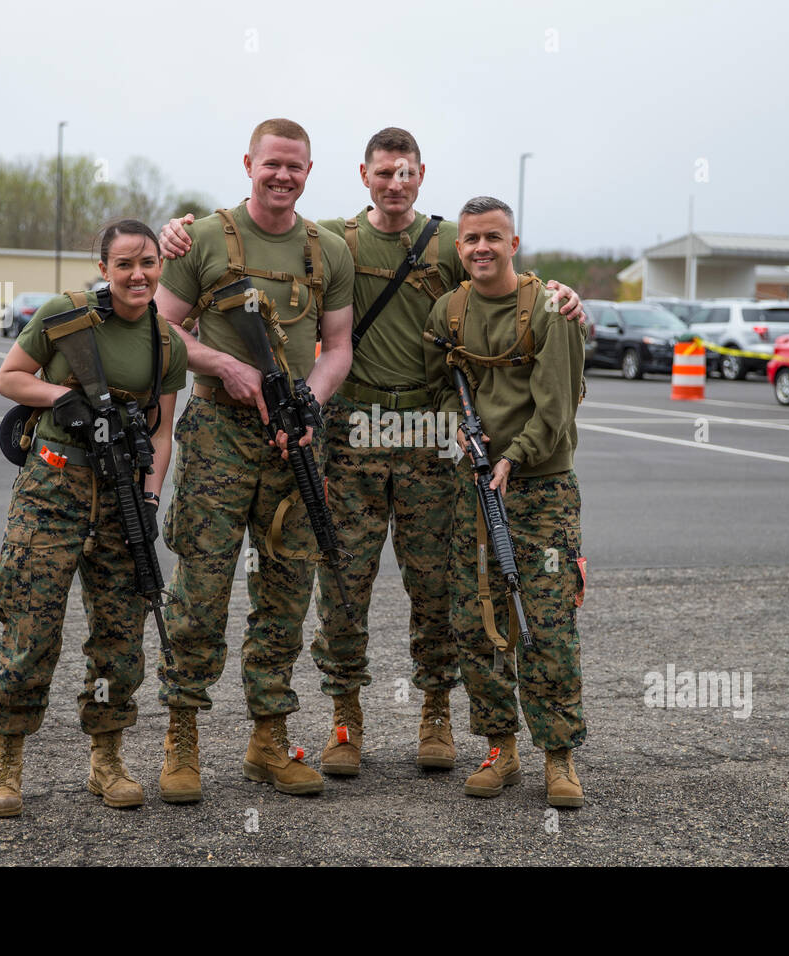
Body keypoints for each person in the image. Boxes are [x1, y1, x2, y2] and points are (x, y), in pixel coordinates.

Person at [158, 128, 582, 780]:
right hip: (352, 430)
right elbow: (227, 258)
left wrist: (566, 299)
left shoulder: (449, 239)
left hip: (429, 433)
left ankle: (435, 710)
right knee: (341, 582)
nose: (394, 182)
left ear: (420, 174)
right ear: (363, 175)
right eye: (383, 172)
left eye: (405, 172)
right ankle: (344, 717)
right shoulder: (335, 240)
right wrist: (172, 236)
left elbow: (506, 272)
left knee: (437, 584)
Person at [151, 118, 355, 799]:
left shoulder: (326, 249)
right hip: (219, 433)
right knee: (201, 587)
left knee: (288, 588)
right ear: (249, 163)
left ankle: (268, 740)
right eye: (272, 163)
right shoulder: (202, 238)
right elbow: (160, 325)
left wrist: (312, 402)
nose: (283, 176)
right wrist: (226, 368)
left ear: (309, 171)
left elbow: (340, 345)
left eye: (295, 166)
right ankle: (183, 738)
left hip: (294, 439)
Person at [0, 219, 189, 817]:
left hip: (122, 495)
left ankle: (107, 759)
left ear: (160, 266)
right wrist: (57, 397)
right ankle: (6, 761)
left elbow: (161, 431)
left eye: (148, 262)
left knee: (120, 639)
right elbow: (8, 378)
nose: (138, 274)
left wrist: (150, 502)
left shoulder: (167, 343)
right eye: (124, 264)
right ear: (104, 269)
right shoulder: (63, 316)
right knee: (32, 628)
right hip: (52, 490)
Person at [424, 196, 587, 808]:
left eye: (494, 236)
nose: (482, 248)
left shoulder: (549, 307)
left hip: (540, 485)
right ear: (459, 248)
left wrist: (511, 457)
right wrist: (460, 431)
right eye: (471, 240)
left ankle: (559, 755)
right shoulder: (449, 310)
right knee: (478, 619)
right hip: (474, 483)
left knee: (547, 621)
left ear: (513, 243)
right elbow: (438, 385)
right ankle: (501, 748)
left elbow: (557, 406)